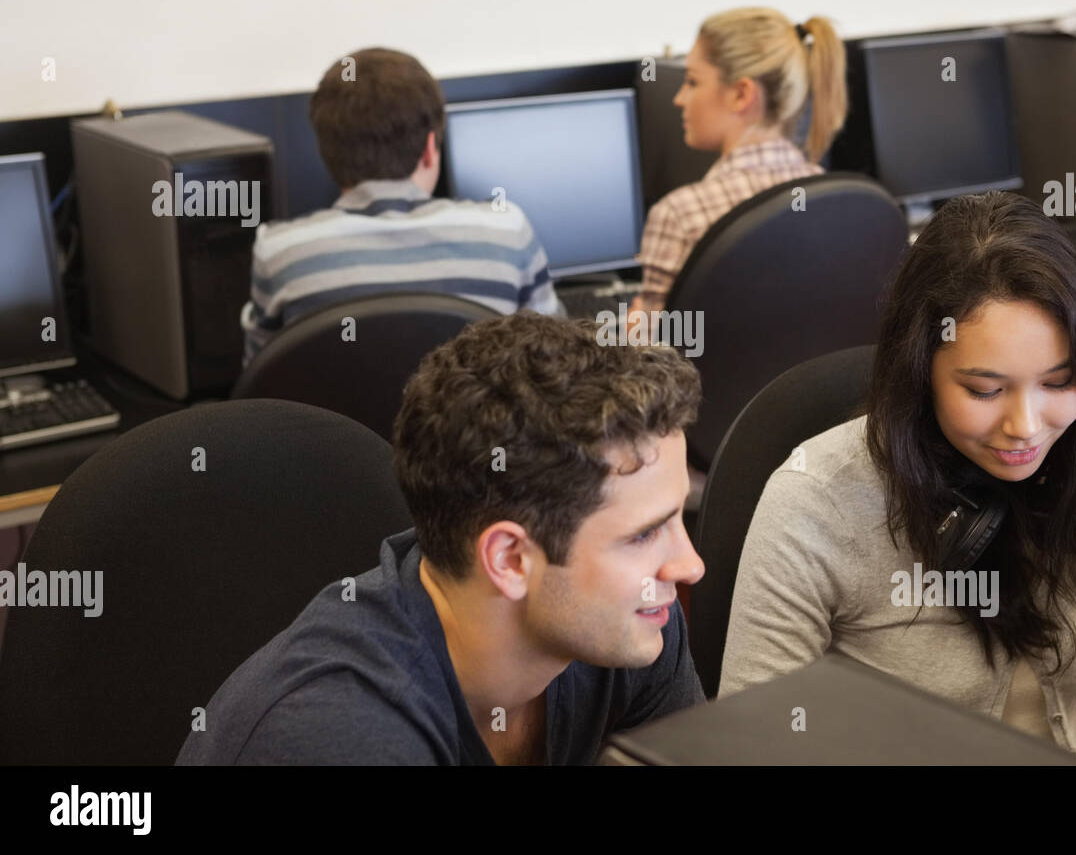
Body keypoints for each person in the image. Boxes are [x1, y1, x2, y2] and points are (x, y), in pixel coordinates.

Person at [718, 192, 1076, 767]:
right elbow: (758, 745)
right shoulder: (817, 501)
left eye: (1058, 382)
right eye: (984, 390)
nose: (1025, 428)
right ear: (919, 373)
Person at [179, 312, 706, 764]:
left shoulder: (632, 631)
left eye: (677, 518)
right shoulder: (337, 736)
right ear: (510, 559)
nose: (688, 565)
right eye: (644, 535)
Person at [239, 47, 562, 366]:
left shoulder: (279, 252)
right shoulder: (507, 230)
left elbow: (264, 383)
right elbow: (556, 358)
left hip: (333, 420)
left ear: (327, 154)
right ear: (429, 150)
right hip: (470, 419)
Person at [631, 7, 848, 314]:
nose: (679, 98)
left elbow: (656, 359)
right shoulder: (840, 201)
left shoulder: (679, 217)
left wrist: (634, 333)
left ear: (741, 95)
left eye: (692, 82)